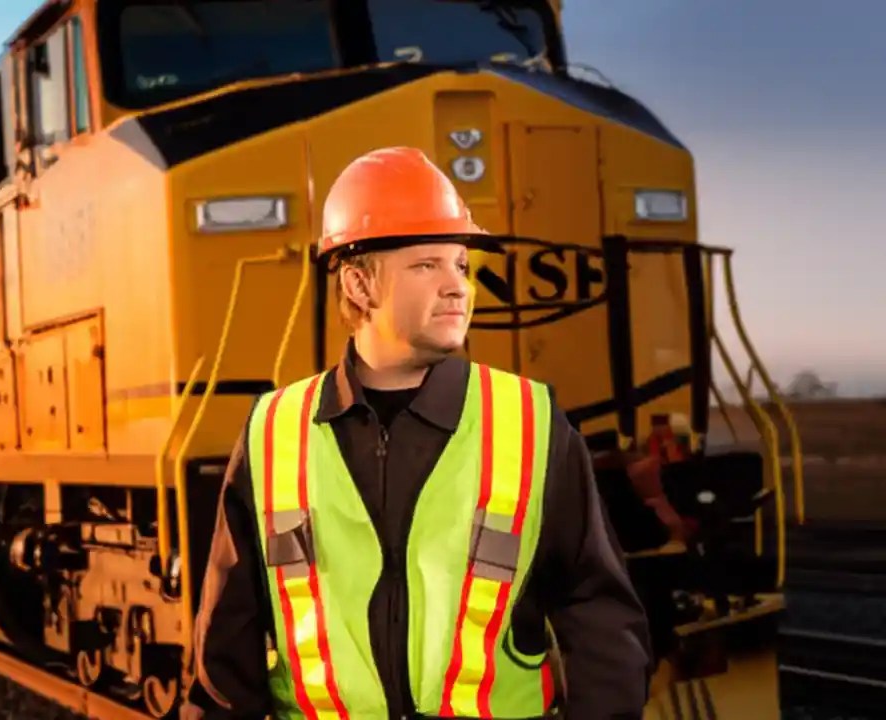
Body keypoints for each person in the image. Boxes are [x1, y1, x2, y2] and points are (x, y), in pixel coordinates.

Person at [182, 146, 653, 719]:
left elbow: (600, 618)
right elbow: (226, 655)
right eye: (427, 265)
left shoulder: (530, 425)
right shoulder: (273, 434)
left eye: (460, 264)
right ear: (358, 285)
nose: (458, 286)